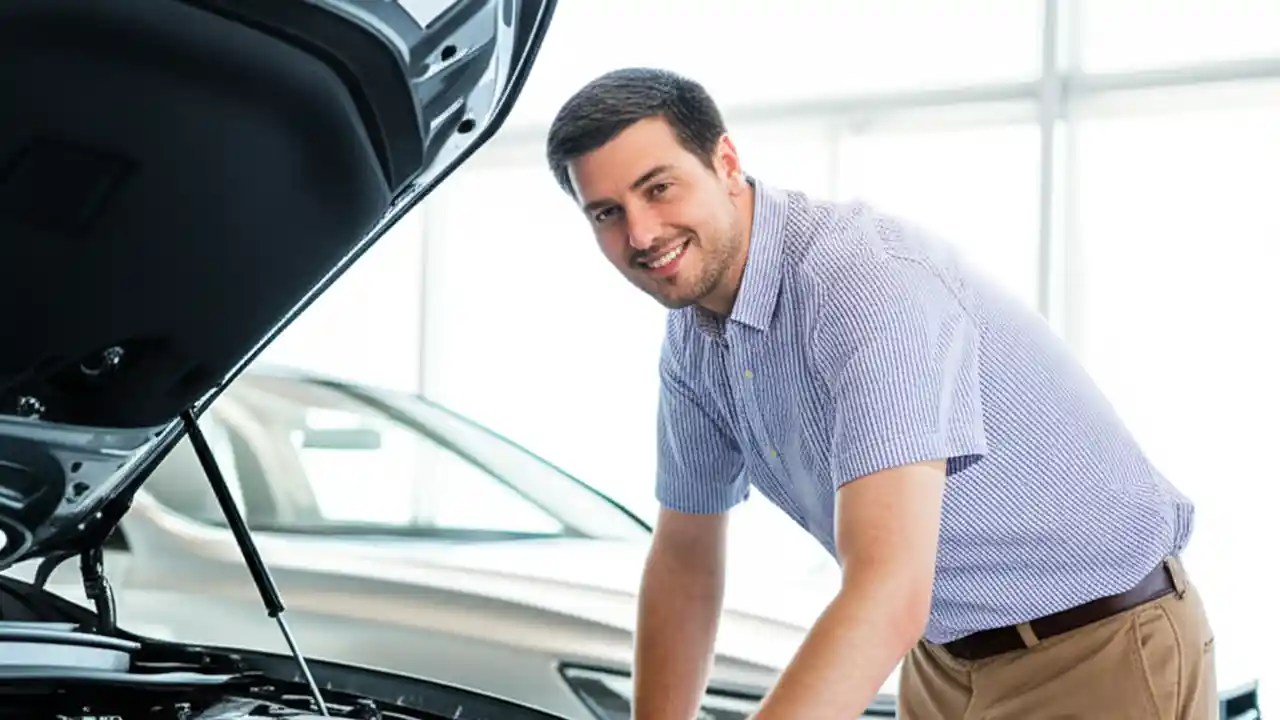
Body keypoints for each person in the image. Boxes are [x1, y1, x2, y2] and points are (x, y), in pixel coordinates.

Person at [543, 67, 1216, 719]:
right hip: (943, 662)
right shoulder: (693, 340)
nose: (641, 233)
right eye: (607, 212)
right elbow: (685, 559)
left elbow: (888, 588)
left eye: (659, 188)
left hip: (1097, 648)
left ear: (725, 161)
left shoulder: (863, 281)